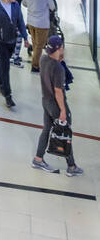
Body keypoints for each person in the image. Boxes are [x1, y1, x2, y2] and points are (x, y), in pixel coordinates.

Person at [33, 34, 83, 176]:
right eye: (61, 48)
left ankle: (38, 159)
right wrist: (62, 111)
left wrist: (59, 58)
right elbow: (58, 91)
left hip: (45, 101)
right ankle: (71, 167)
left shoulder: (43, 59)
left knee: (46, 129)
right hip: (56, 104)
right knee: (65, 132)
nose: (63, 50)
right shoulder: (58, 69)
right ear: (57, 49)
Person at [24, 0, 56, 71]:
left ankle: (35, 61)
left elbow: (24, 3)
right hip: (42, 24)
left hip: (31, 22)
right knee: (39, 46)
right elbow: (52, 7)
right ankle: (35, 66)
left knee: (35, 43)